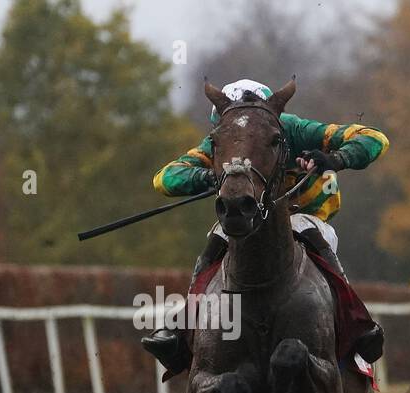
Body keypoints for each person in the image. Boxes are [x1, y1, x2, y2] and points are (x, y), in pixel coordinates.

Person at [143, 78, 389, 376]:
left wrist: (334, 158)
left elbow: (374, 138)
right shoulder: (224, 135)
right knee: (216, 238)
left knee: (310, 231)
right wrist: (208, 177)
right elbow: (165, 178)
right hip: (249, 219)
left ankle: (354, 319)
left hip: (305, 213)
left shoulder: (296, 129)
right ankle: (183, 326)